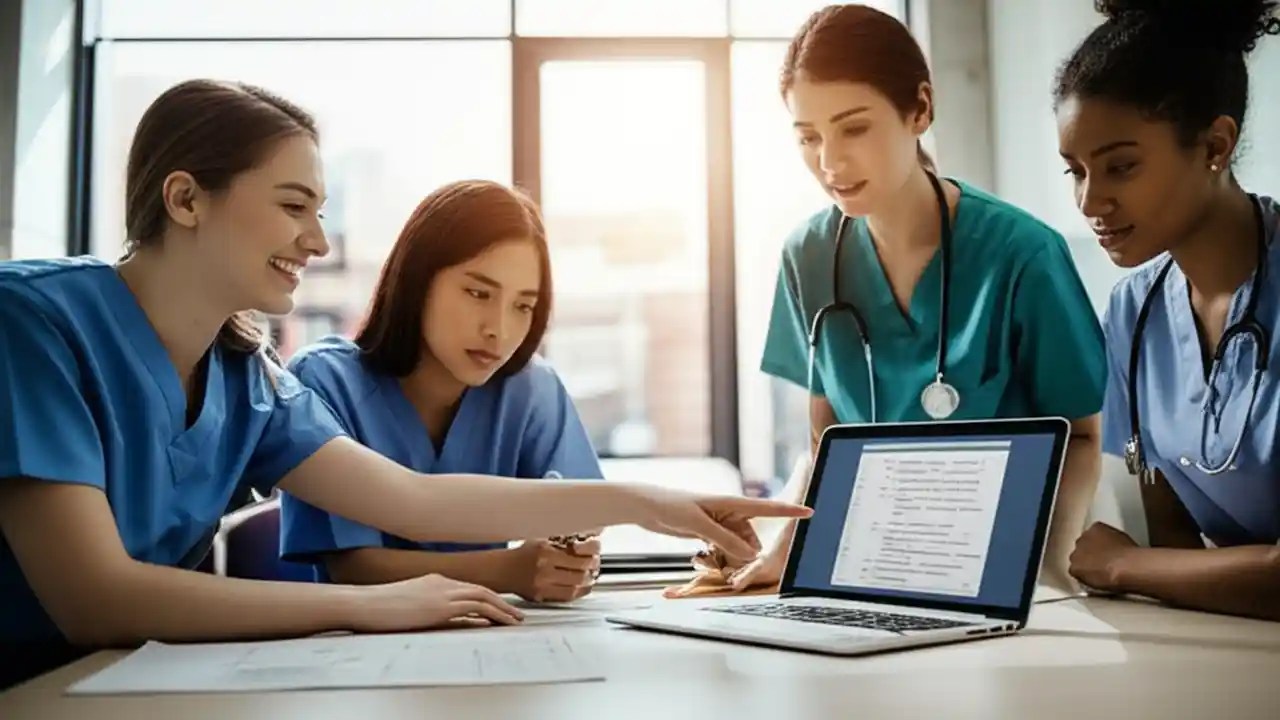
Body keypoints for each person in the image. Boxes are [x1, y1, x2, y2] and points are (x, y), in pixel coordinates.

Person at [0, 79, 811, 689]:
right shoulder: (33, 322)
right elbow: (94, 597)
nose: (319, 239)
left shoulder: (247, 378)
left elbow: (416, 501)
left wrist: (648, 504)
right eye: (295, 206)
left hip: (116, 683)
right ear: (186, 198)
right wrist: (368, 603)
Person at [675, 3, 1106, 596]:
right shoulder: (808, 255)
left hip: (1001, 560)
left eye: (854, 128)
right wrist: (788, 549)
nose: (830, 162)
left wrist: (1047, 577)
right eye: (809, 137)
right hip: (872, 562)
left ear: (920, 109)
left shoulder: (1023, 254)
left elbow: (1081, 437)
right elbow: (825, 445)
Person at [1055, 0, 1280, 621]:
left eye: (1121, 167)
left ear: (1215, 144)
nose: (1090, 200)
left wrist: (1126, 565)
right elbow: (1175, 547)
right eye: (1075, 171)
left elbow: (1151, 563)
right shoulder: (1133, 313)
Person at [279, 180, 605, 603]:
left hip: (491, 639)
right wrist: (506, 571)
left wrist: (570, 557)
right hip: (357, 649)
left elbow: (581, 512)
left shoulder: (529, 388)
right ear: (418, 281)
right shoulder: (324, 381)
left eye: (522, 306)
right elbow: (352, 567)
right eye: (477, 293)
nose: (499, 329)